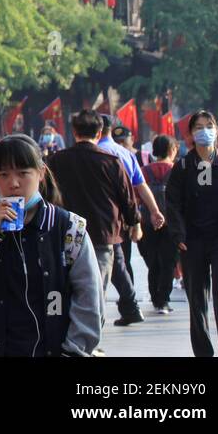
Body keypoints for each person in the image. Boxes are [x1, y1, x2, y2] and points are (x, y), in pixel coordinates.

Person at [0, 134, 101, 356]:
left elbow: (89, 297)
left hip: (56, 349)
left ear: (41, 173)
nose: (13, 183)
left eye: (23, 173)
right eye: (3, 175)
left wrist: (74, 349)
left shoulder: (69, 227)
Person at [46, 110, 141, 337]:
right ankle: (90, 339)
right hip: (102, 234)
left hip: (65, 232)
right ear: (100, 132)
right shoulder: (111, 162)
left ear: (74, 131)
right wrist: (134, 222)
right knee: (96, 289)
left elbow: (46, 194)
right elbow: (127, 197)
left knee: (68, 286)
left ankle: (68, 333)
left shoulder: (56, 160)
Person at [165, 111, 218, 357]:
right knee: (196, 297)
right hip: (192, 241)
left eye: (209, 125)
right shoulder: (182, 166)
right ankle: (203, 351)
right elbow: (172, 203)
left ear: (217, 129)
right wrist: (178, 234)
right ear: (191, 133)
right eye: (199, 126)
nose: (204, 130)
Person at [97, 114, 165, 326]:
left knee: (109, 263)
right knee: (120, 261)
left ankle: (123, 306)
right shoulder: (124, 154)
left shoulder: (90, 153)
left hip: (93, 218)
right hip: (122, 218)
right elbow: (140, 185)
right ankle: (129, 305)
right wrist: (154, 211)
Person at [140, 135, 179, 313]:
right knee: (169, 261)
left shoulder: (144, 171)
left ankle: (155, 298)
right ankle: (163, 299)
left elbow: (135, 196)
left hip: (147, 222)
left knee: (153, 261)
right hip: (172, 223)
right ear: (172, 150)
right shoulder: (177, 170)